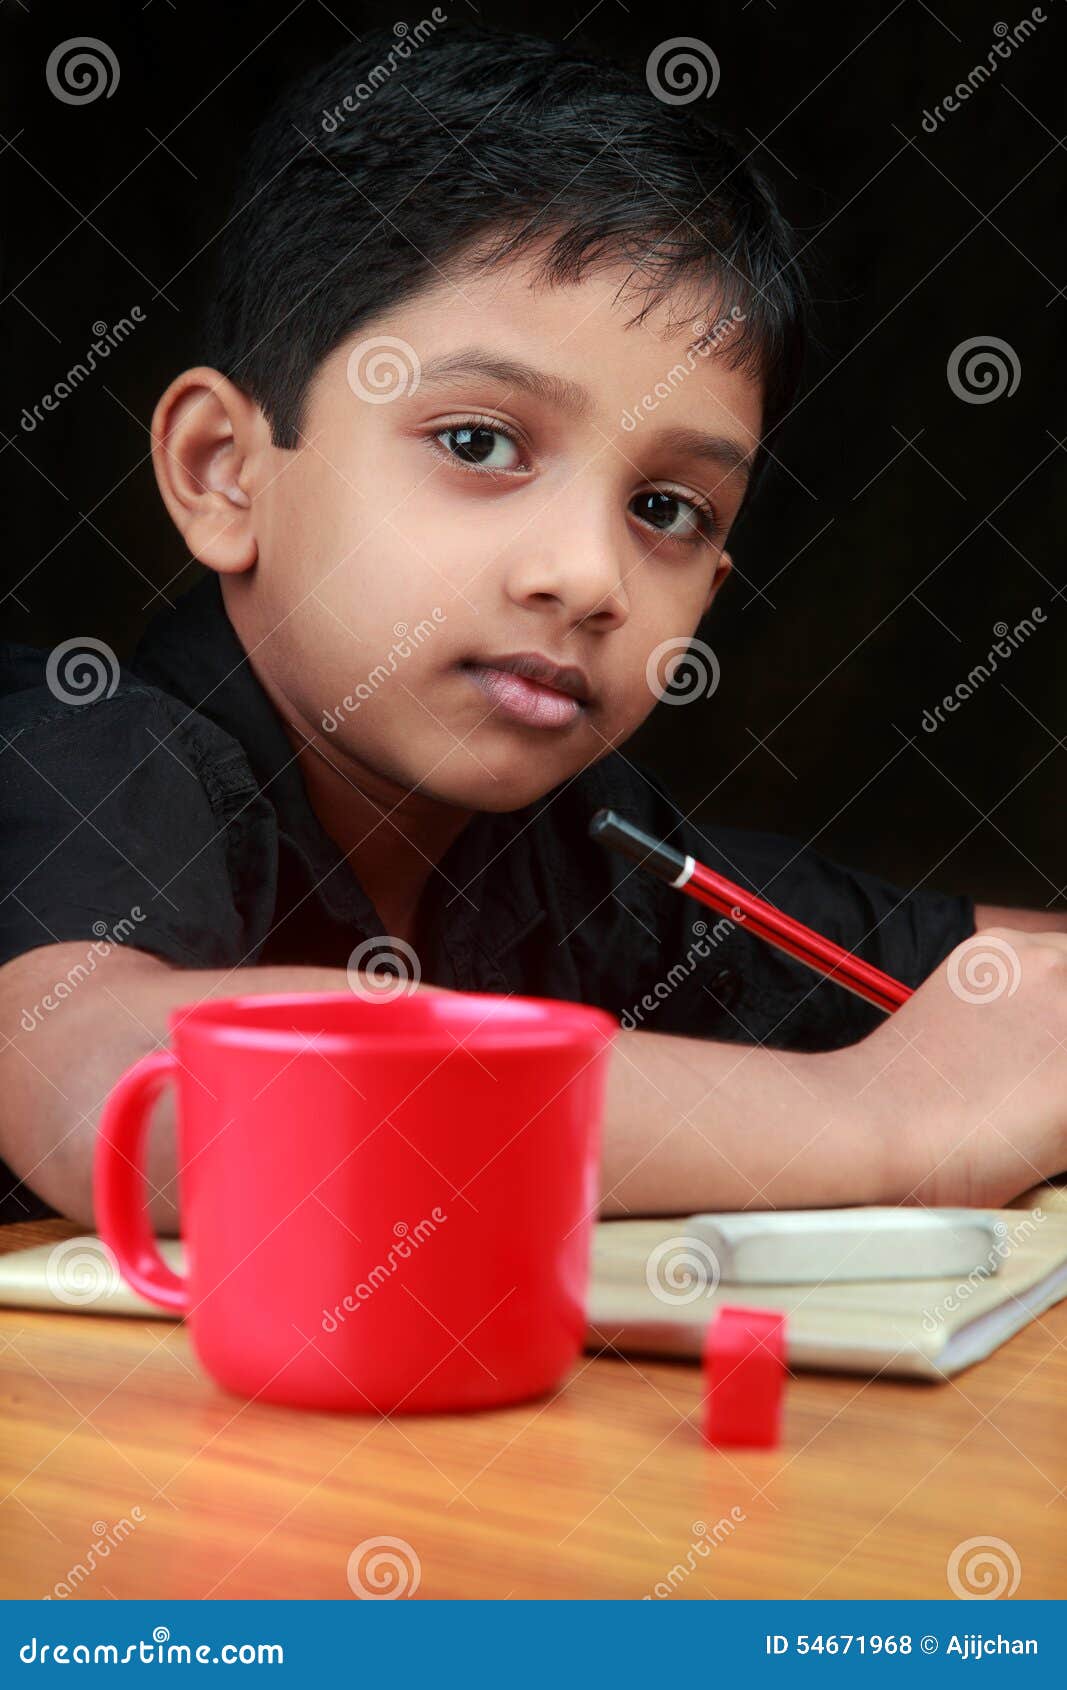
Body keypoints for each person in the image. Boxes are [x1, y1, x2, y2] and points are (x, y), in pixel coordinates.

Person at [2, 24, 1065, 1230]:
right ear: (223, 471)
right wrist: (887, 1116)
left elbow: (997, 987)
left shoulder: (590, 855)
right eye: (477, 443)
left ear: (710, 587)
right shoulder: (86, 757)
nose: (586, 575)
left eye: (664, 510)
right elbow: (127, 1101)